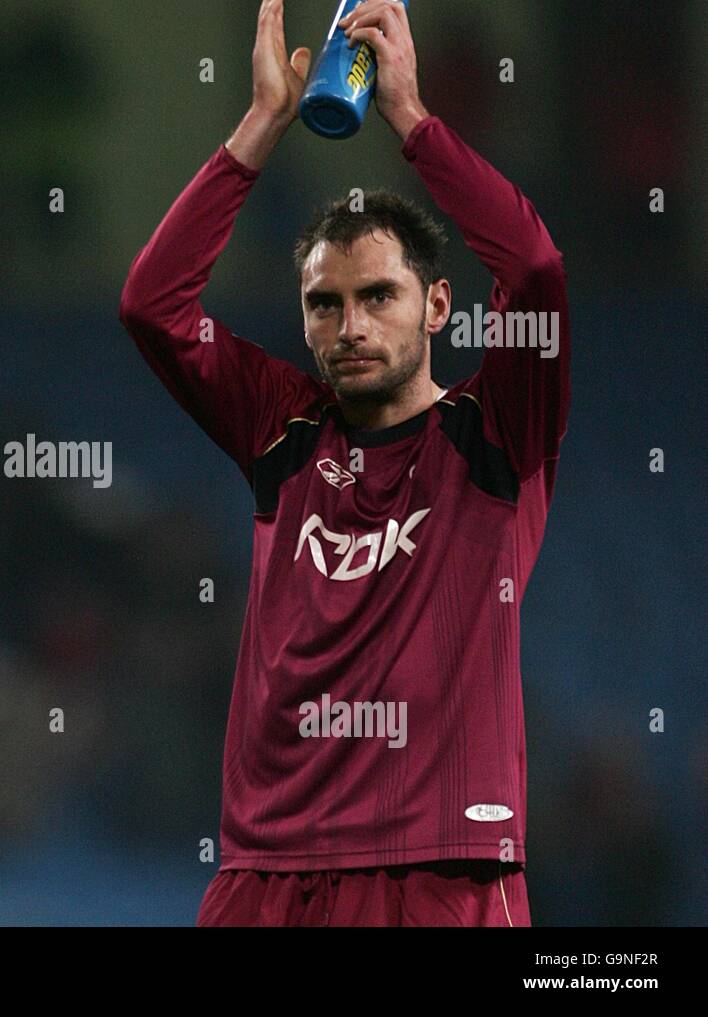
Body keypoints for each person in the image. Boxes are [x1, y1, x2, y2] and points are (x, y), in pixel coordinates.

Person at [119, 0, 569, 926]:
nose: (351, 325)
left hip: (442, 866)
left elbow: (533, 269)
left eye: (379, 295)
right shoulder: (282, 427)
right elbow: (152, 305)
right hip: (267, 870)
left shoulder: (498, 434)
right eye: (324, 303)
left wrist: (411, 117)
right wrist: (261, 124)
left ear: (439, 305)